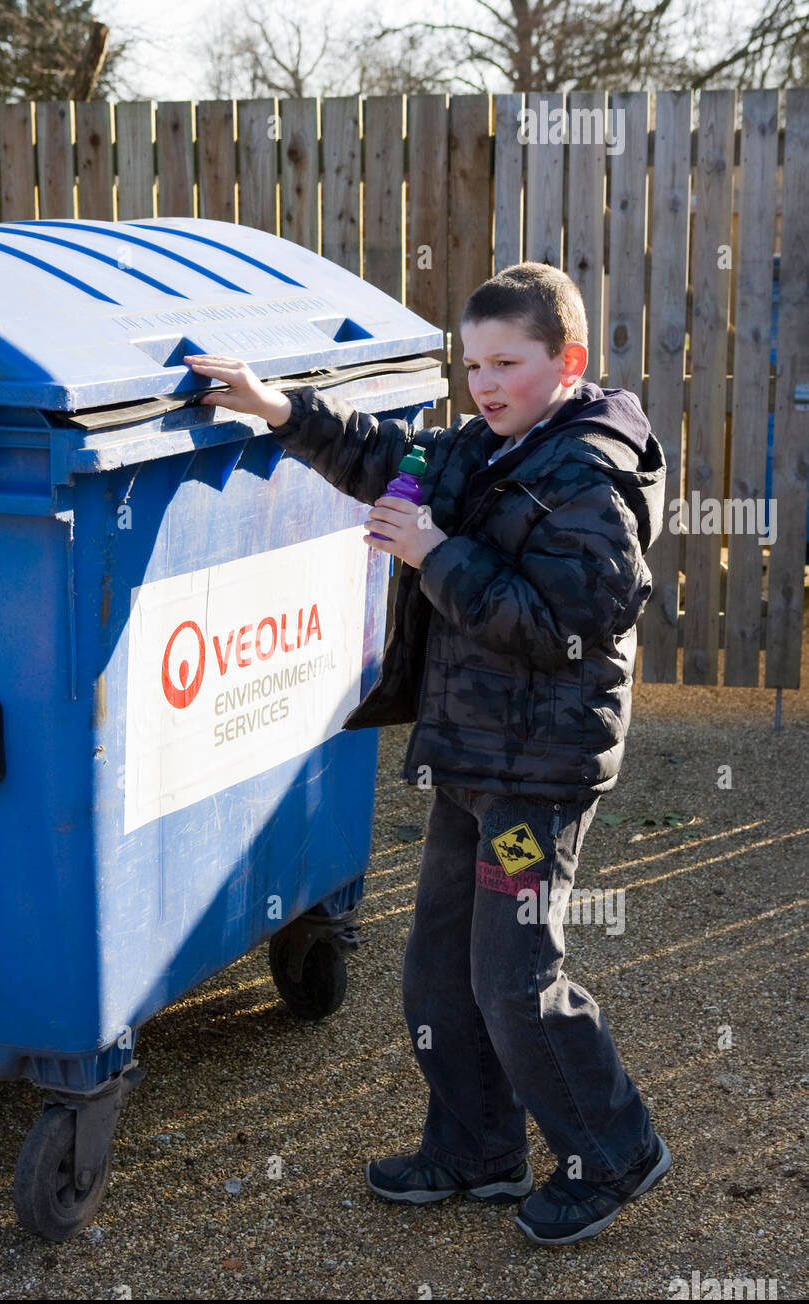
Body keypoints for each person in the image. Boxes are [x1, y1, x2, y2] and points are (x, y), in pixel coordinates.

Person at [181, 260, 671, 1245]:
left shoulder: (587, 475)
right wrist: (277, 408)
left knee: (513, 976)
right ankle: (479, 1146)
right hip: (471, 760)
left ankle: (613, 1149)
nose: (483, 382)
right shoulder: (484, 448)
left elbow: (560, 626)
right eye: (471, 363)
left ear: (566, 362)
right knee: (438, 975)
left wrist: (434, 552)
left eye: (506, 363)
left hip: (535, 779)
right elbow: (386, 456)